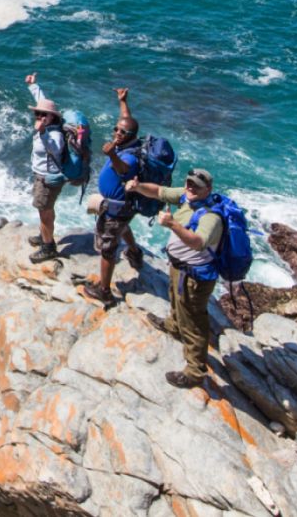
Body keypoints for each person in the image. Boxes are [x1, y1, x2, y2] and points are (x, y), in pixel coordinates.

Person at [126, 167, 223, 388]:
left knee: (193, 319)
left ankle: (195, 371)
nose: (190, 188)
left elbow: (199, 242)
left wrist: (172, 224)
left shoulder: (211, 216)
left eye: (197, 186)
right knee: (175, 299)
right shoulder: (186, 197)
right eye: (189, 183)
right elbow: (159, 191)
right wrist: (139, 186)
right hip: (180, 267)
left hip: (195, 275)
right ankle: (173, 325)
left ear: (208, 189)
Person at [82, 86, 145, 306]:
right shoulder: (129, 140)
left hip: (116, 210)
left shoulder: (131, 157)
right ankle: (135, 253)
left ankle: (105, 291)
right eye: (115, 130)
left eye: (122, 132)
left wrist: (111, 154)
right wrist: (123, 101)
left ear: (131, 136)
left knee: (107, 249)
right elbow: (125, 119)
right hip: (124, 210)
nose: (117, 133)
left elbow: (123, 170)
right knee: (124, 228)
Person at [23, 73, 67, 263]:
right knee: (45, 209)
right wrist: (34, 86)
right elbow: (42, 101)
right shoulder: (48, 124)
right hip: (41, 174)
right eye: (37, 114)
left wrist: (42, 134)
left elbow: (56, 151)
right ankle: (44, 236)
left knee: (44, 212)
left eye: (43, 115)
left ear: (52, 117)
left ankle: (48, 247)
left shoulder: (54, 134)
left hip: (48, 178)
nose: (39, 116)